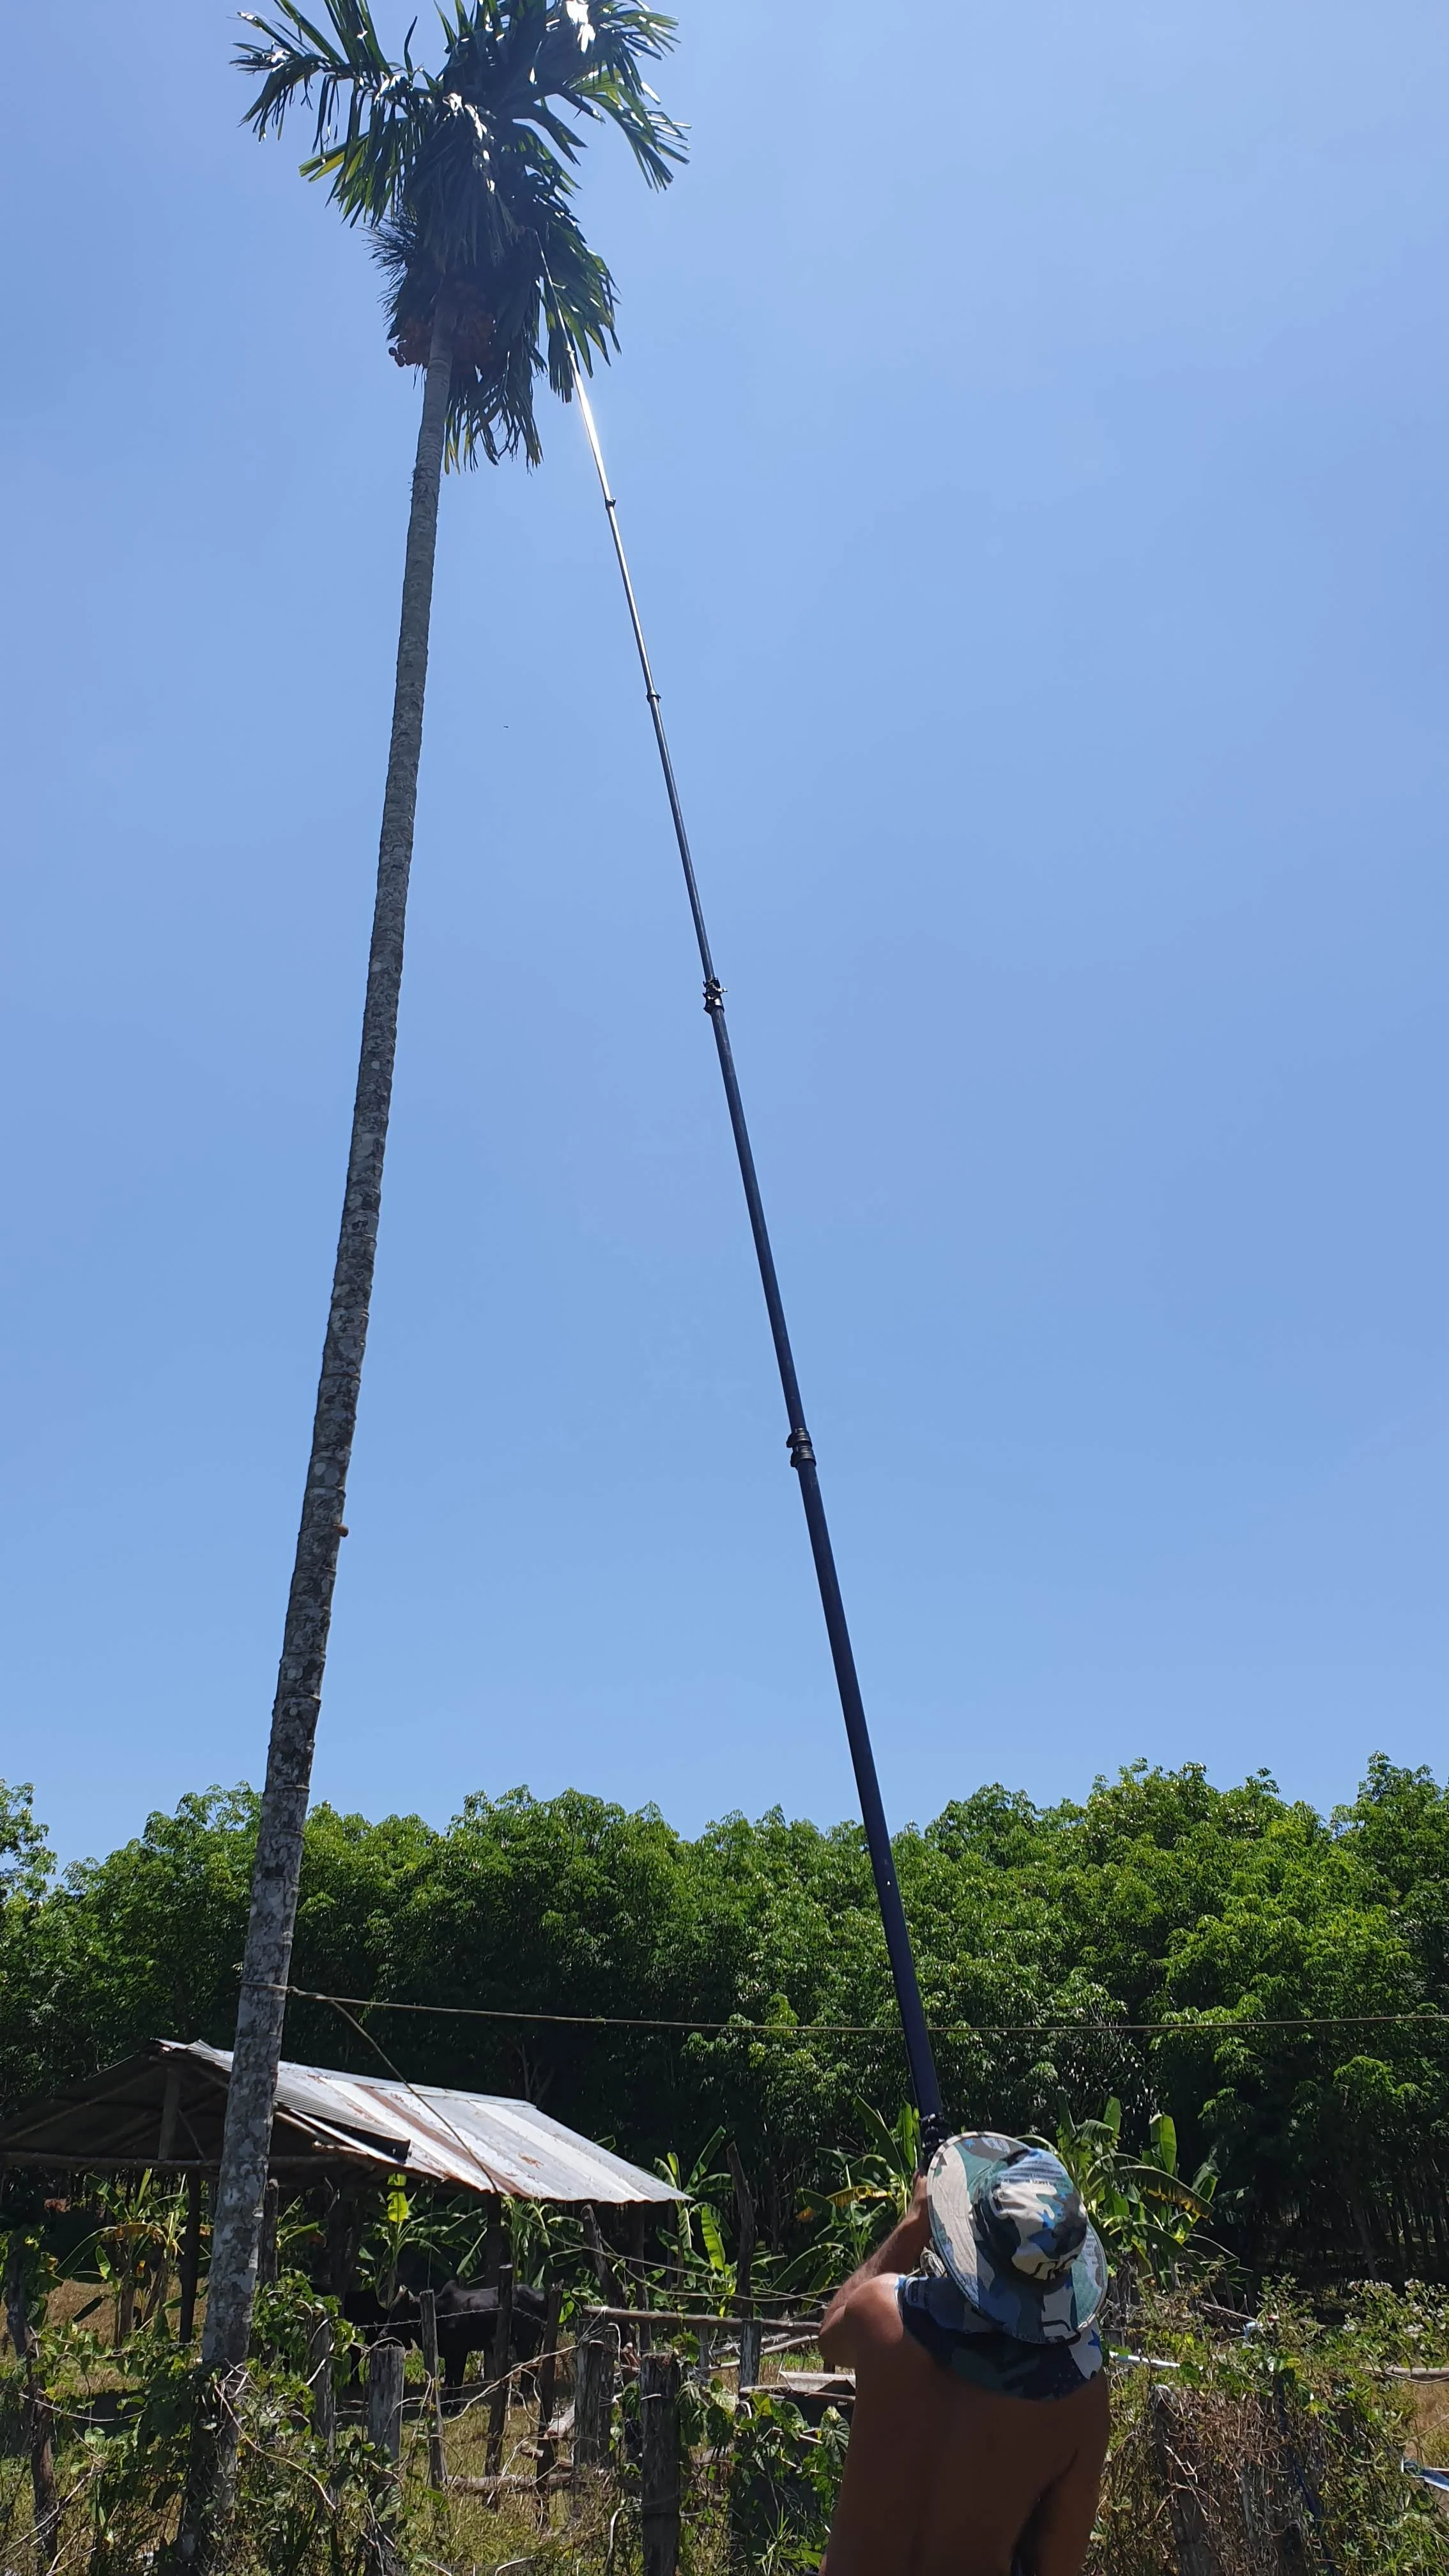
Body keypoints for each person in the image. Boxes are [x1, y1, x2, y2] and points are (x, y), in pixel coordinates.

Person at [816, 2130, 1110, 2576]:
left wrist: (914, 2221)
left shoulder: (882, 2314)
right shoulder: (1078, 2392)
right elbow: (1057, 2565)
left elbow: (831, 2336)